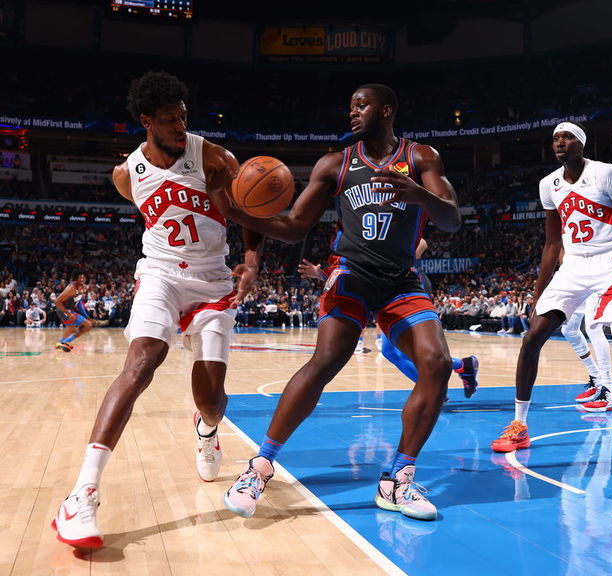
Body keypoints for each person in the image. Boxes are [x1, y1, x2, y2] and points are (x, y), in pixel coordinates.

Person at [221, 84, 462, 522]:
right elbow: (294, 226)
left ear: (386, 110)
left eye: (362, 105)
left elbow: (452, 218)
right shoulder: (336, 163)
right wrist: (238, 213)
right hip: (352, 274)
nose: (353, 112)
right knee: (326, 361)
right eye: (350, 106)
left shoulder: (422, 157)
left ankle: (397, 479)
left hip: (401, 280)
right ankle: (259, 467)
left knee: (437, 364)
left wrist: (420, 195)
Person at [52, 71, 261, 549]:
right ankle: (81, 493)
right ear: (146, 121)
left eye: (184, 116)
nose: (181, 125)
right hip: (161, 272)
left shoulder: (212, 156)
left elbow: (252, 210)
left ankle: (207, 430)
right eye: (170, 119)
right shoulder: (127, 176)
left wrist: (250, 261)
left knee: (211, 398)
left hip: (213, 281)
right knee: (143, 360)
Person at [490, 121, 612, 464]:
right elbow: (552, 243)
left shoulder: (606, 173)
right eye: (555, 139)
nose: (559, 143)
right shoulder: (547, 185)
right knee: (532, 337)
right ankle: (519, 425)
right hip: (574, 267)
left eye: (566, 137)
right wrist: (537, 295)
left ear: (580, 143)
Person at [297, 238, 479, 399]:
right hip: (385, 287)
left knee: (401, 349)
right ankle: (459, 368)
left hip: (404, 285)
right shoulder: (356, 237)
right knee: (392, 350)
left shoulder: (388, 214)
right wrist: (320, 274)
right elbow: (348, 270)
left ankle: (440, 387)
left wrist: (397, 264)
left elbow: (422, 242)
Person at [564, 294, 612, 411]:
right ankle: (597, 380)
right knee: (569, 330)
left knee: (593, 327)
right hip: (578, 282)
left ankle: (608, 391)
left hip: (596, 281)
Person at [53, 273, 94, 352]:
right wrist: (68, 313)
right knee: (88, 325)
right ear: (76, 278)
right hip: (63, 310)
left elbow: (79, 303)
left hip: (69, 310)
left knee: (71, 328)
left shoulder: (82, 287)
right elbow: (57, 301)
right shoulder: (71, 288)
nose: (82, 279)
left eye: (84, 277)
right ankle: (65, 342)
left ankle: (60, 344)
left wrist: (86, 316)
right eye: (80, 277)